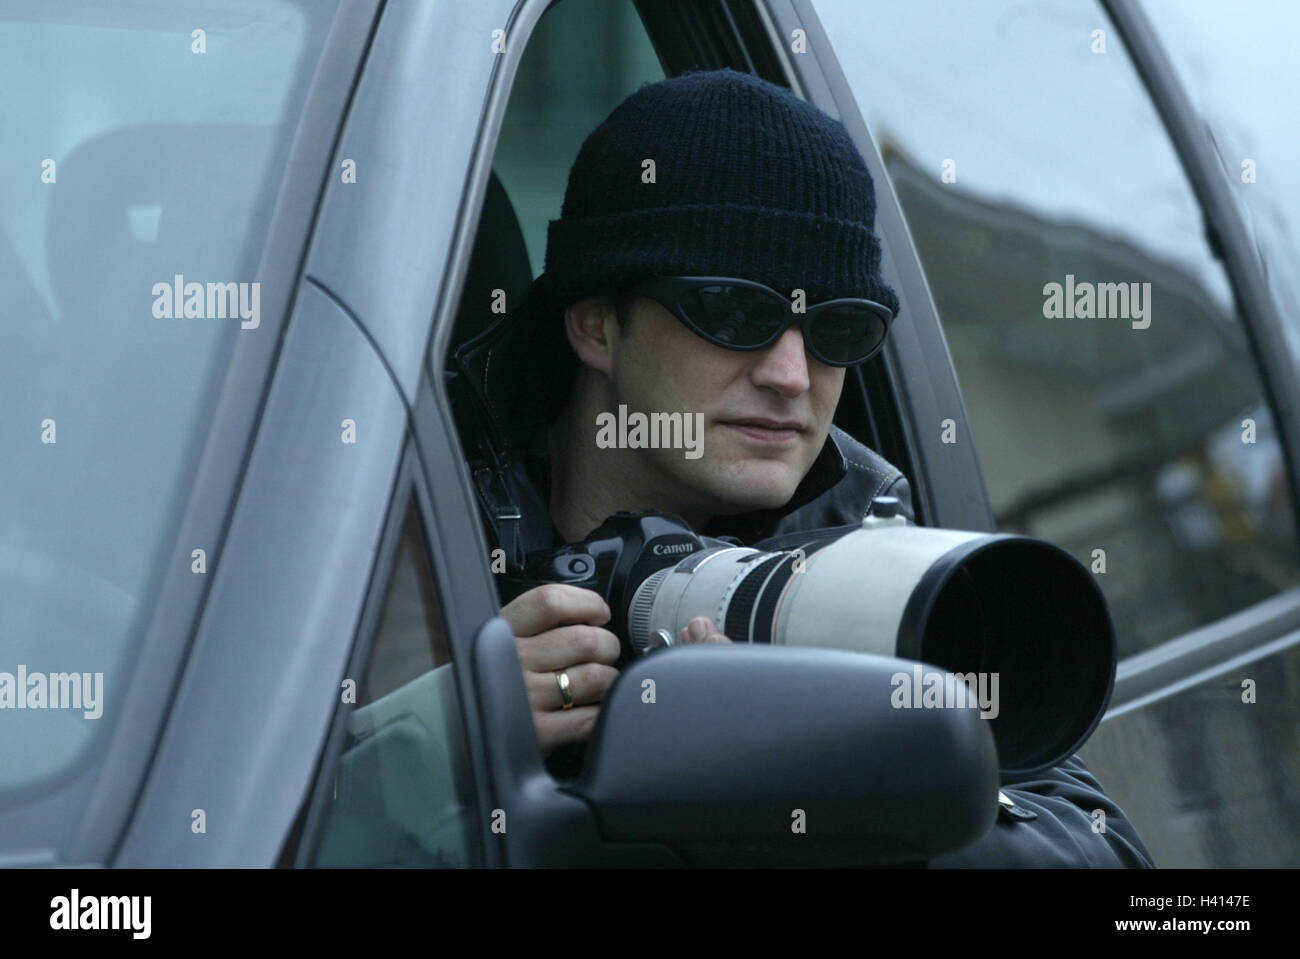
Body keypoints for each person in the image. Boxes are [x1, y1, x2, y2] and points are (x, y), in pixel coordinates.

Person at [452, 68, 1154, 867]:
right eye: (736, 313)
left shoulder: (865, 547)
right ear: (595, 326)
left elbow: (1109, 855)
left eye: (839, 328)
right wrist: (444, 732)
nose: (792, 374)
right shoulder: (411, 524)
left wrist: (823, 789)